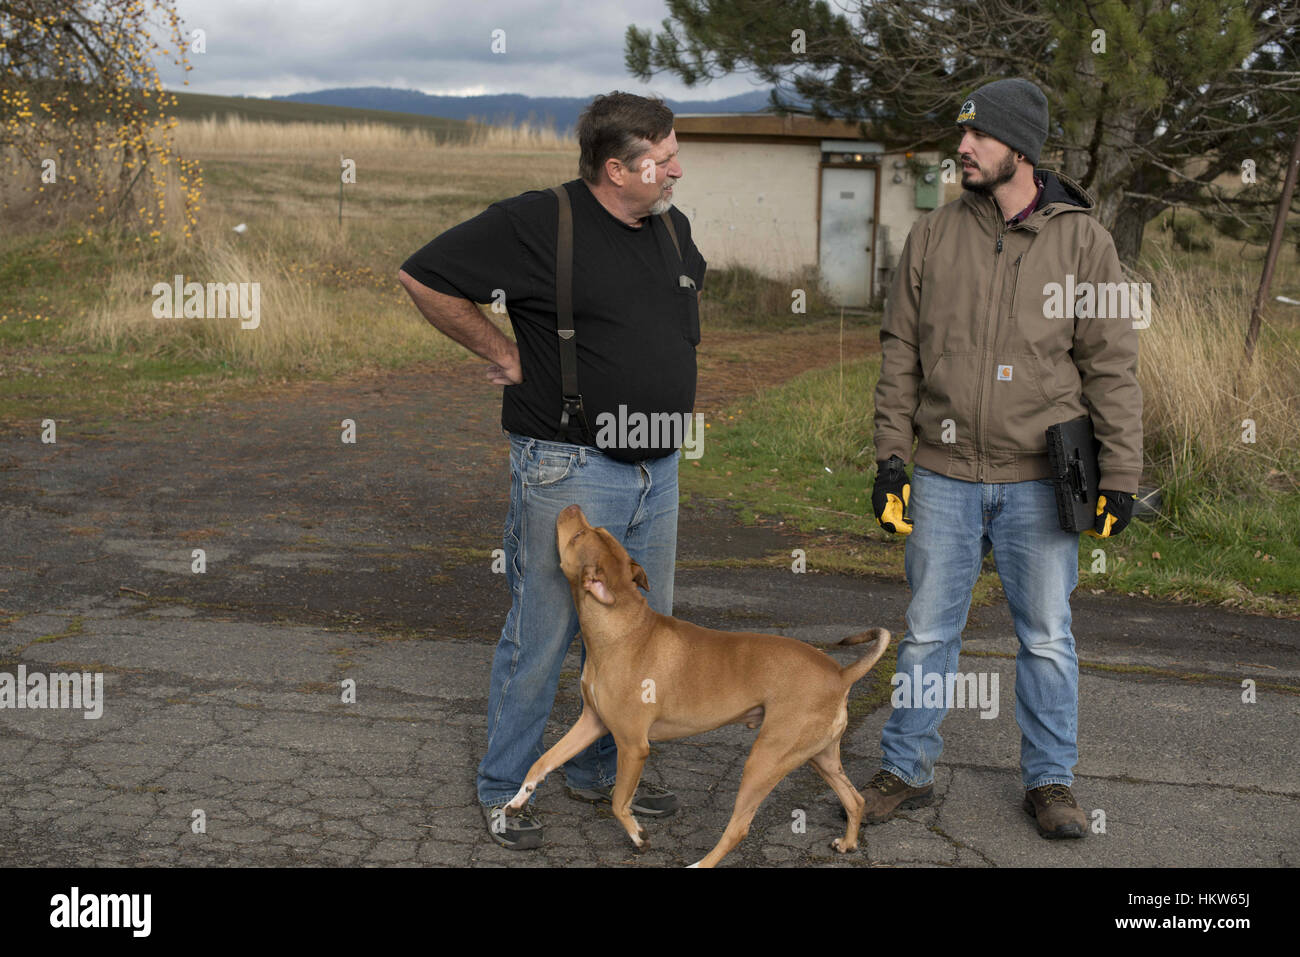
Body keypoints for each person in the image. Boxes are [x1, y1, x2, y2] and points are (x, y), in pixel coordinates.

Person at [397, 92, 707, 850]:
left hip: (657, 468)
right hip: (569, 465)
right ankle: (508, 786)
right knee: (541, 635)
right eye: (661, 160)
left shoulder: (671, 227)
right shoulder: (541, 223)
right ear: (615, 167)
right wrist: (502, 352)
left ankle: (599, 769)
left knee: (635, 633)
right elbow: (424, 276)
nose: (676, 170)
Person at [867, 77, 1142, 838]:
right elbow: (899, 356)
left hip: (1039, 480)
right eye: (962, 135)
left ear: (1019, 146)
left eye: (978, 136)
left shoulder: (1085, 241)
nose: (963, 147)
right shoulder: (933, 234)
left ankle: (1051, 781)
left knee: (1047, 634)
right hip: (943, 474)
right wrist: (892, 460)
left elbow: (1112, 364)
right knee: (927, 631)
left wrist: (1119, 475)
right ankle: (906, 766)